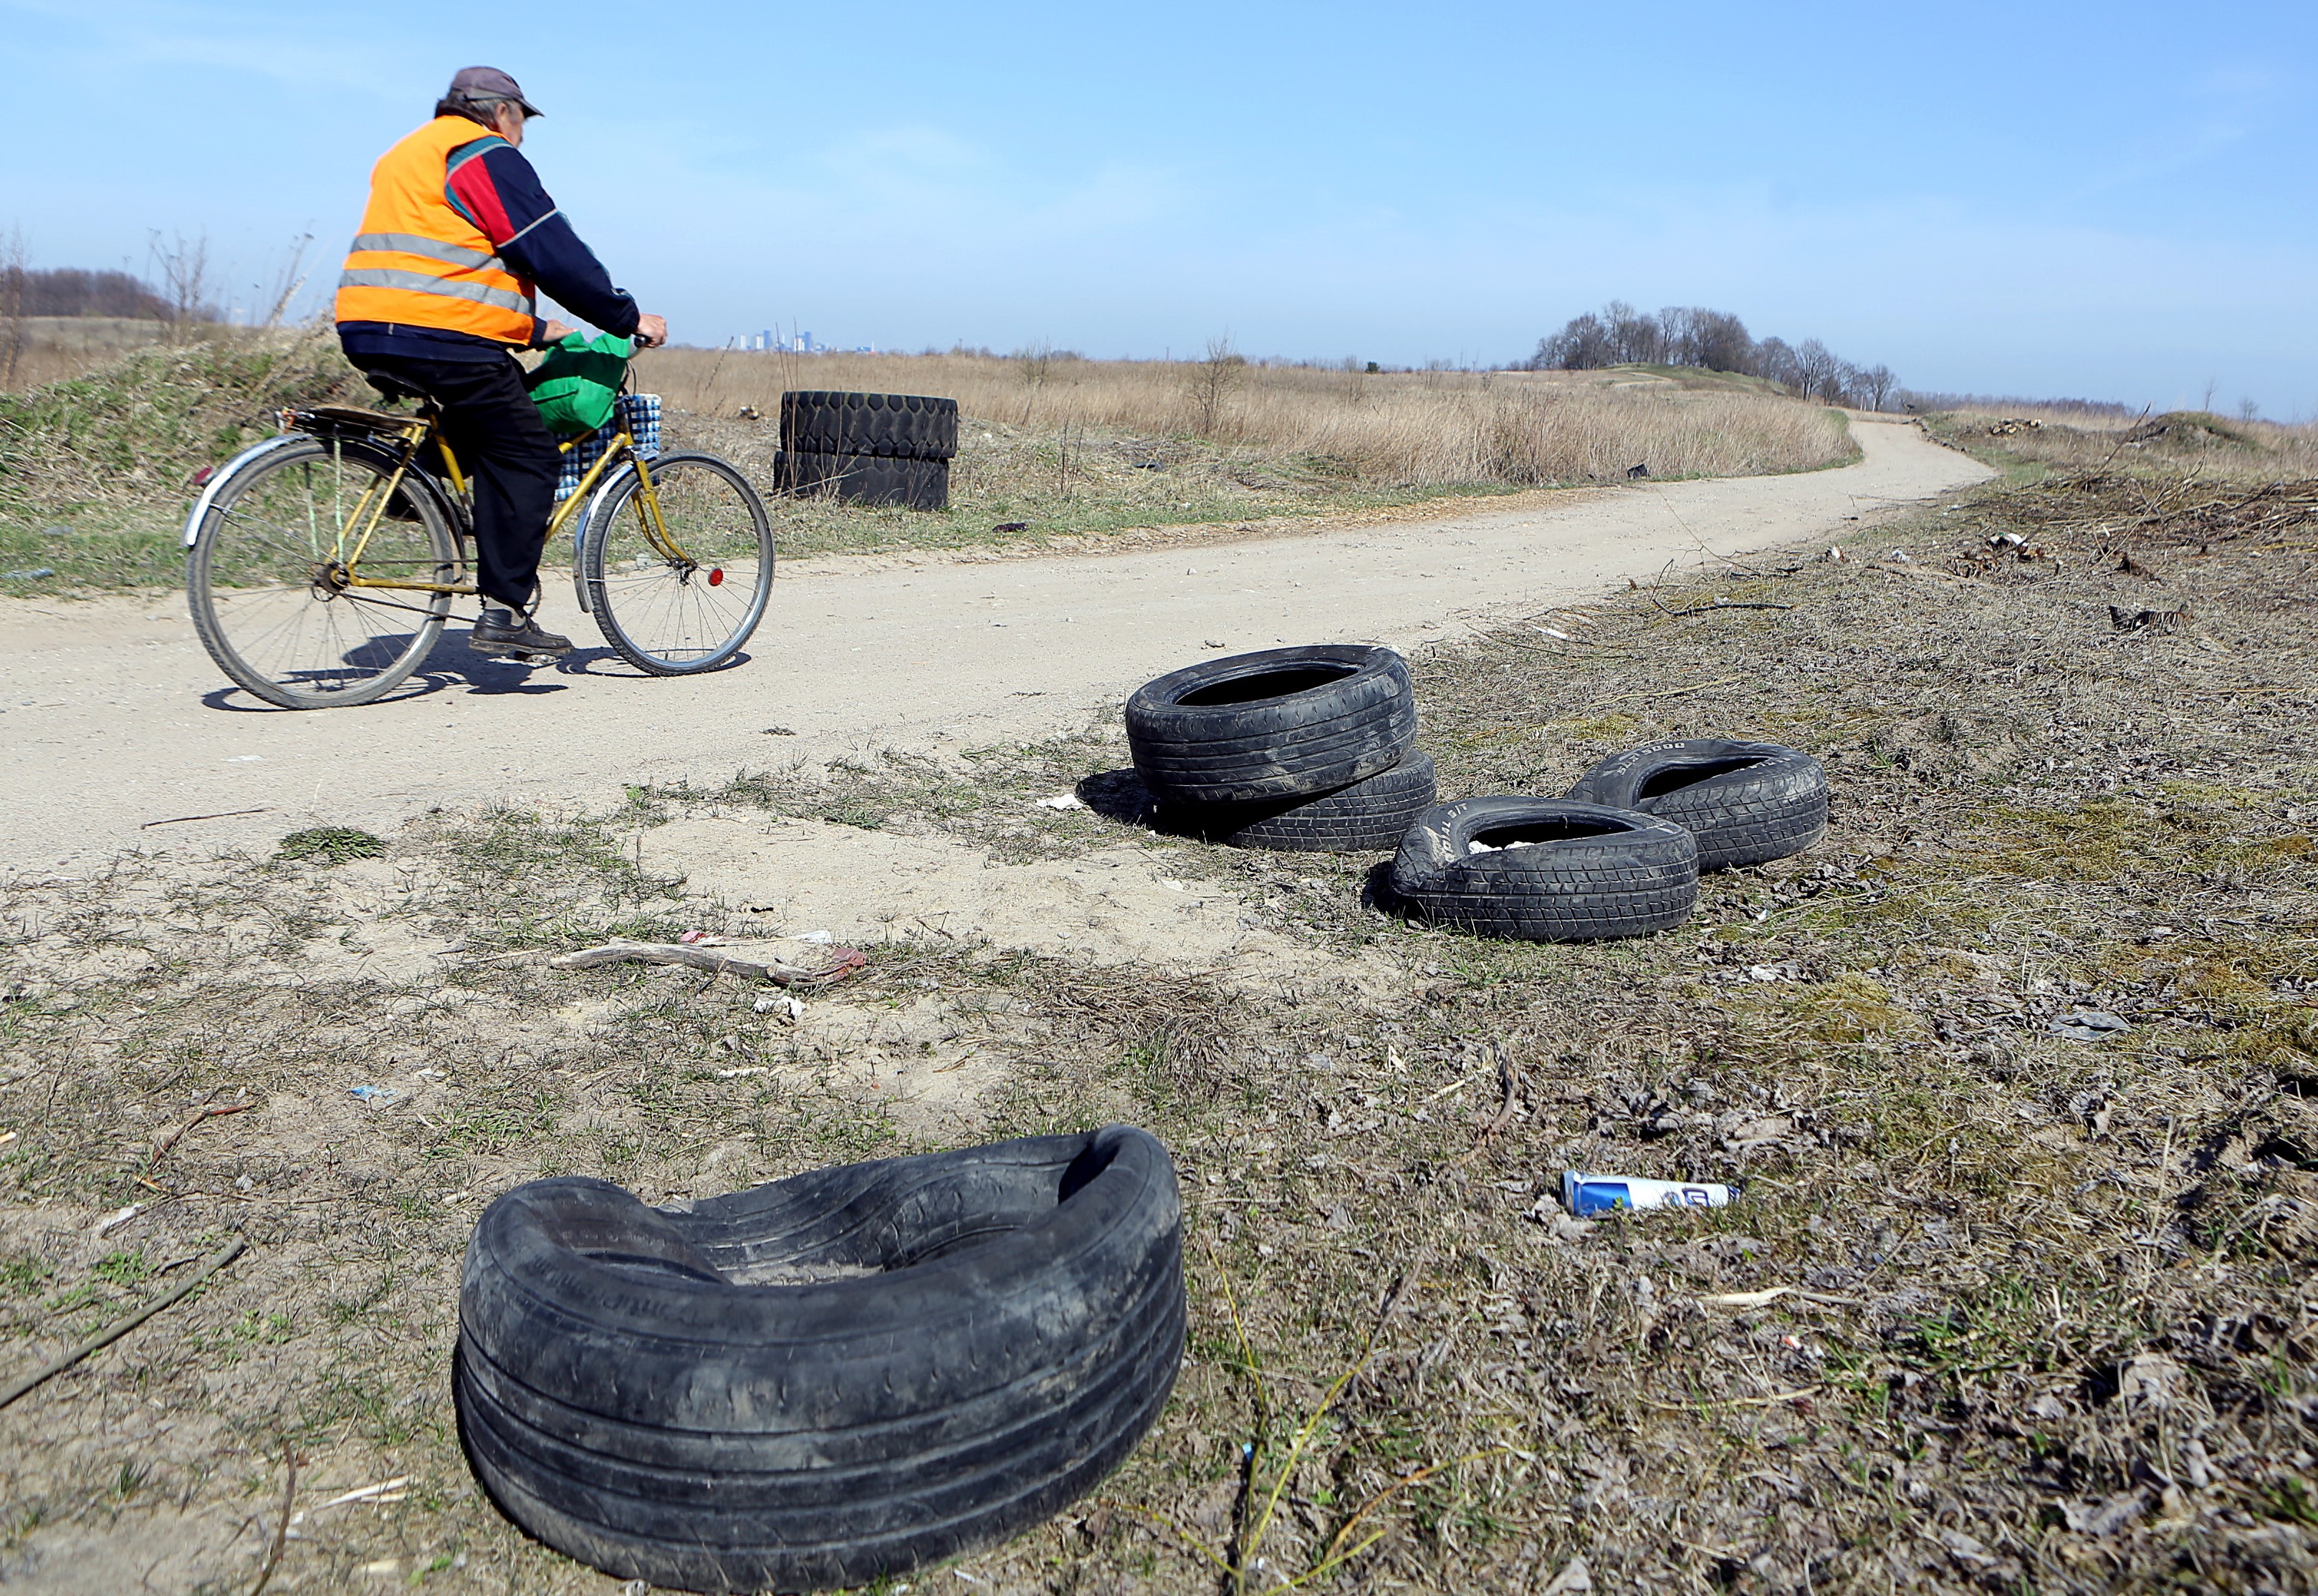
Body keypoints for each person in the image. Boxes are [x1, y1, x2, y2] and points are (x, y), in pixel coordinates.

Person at [335, 67, 668, 658]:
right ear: (500, 112)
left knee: (490, 417)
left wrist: (533, 328)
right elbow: (550, 251)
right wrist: (625, 317)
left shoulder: (409, 153)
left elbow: (440, 265)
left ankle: (414, 487)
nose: (522, 135)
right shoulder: (482, 153)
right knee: (528, 451)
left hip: (369, 325)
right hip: (437, 334)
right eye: (522, 121)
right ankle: (506, 613)